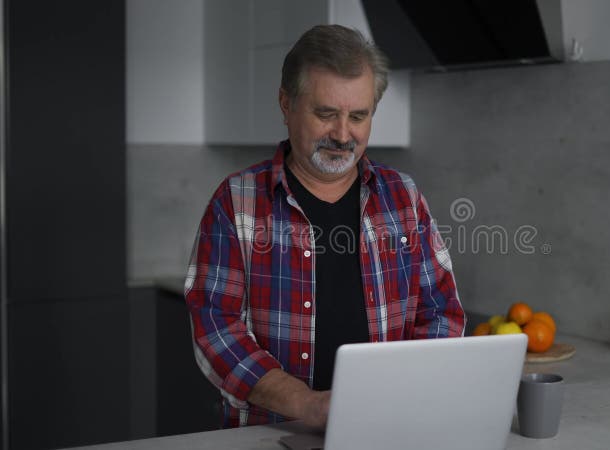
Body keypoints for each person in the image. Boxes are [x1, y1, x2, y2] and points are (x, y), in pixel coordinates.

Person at [184, 24, 465, 429]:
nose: (342, 134)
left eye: (358, 116)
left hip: (387, 427)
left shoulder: (403, 196)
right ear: (286, 104)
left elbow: (441, 311)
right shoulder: (237, 201)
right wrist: (306, 404)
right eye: (326, 113)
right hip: (273, 430)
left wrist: (403, 393)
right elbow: (215, 329)